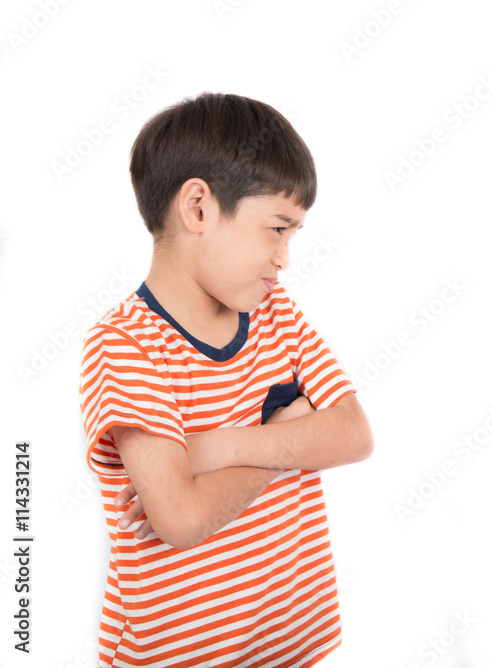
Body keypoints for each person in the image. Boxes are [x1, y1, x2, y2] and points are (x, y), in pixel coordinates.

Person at [78, 92, 373, 667]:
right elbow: (181, 518)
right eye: (277, 228)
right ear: (198, 208)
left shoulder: (276, 313)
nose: (285, 257)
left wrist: (214, 449)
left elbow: (353, 435)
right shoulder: (125, 345)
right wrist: (284, 440)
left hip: (293, 643)